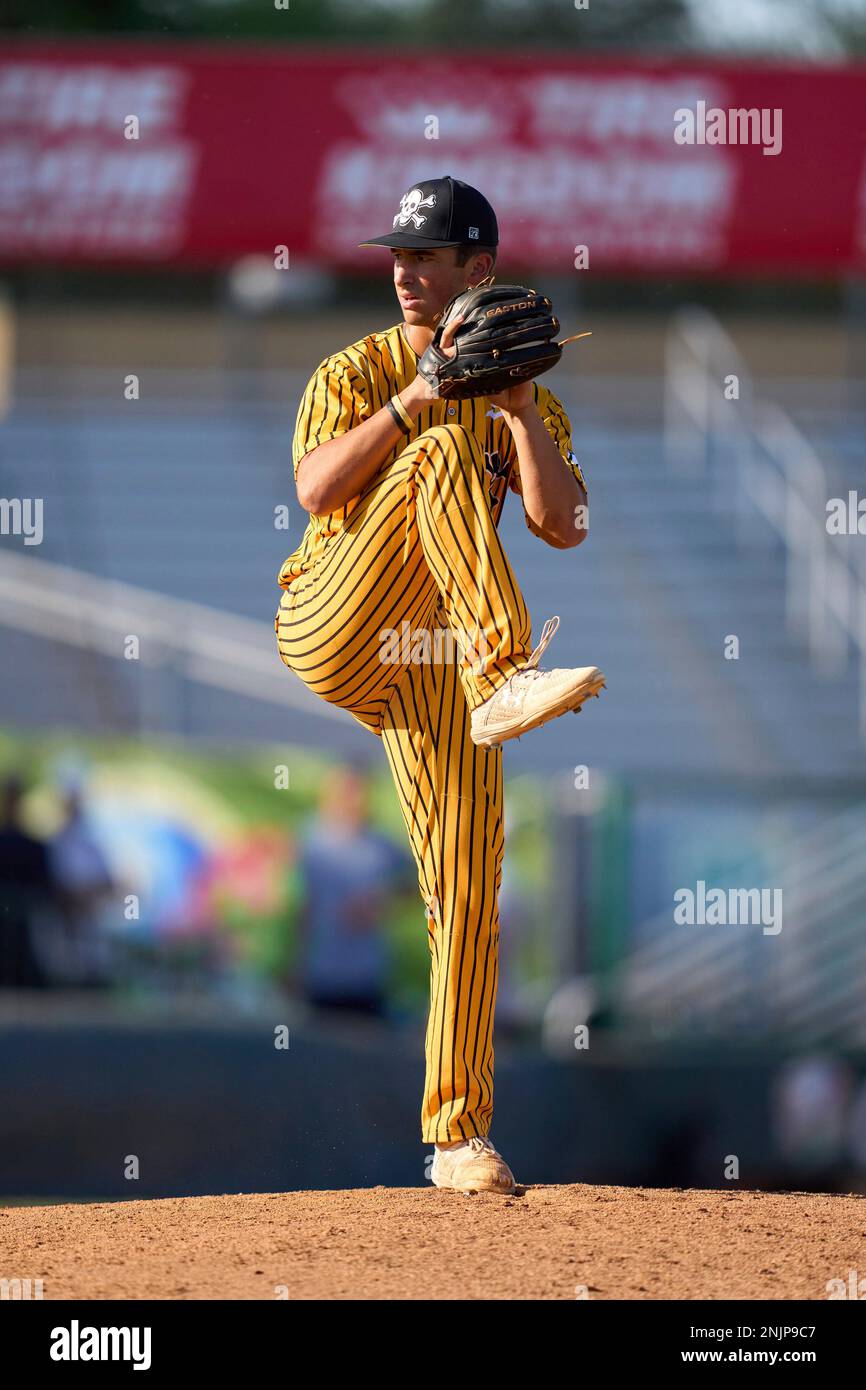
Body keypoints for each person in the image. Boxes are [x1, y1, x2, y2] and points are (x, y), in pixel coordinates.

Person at [275, 175, 603, 1194]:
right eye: (398, 257)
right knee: (429, 456)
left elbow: (562, 525)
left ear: (480, 271)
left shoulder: (531, 391)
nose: (406, 274)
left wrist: (513, 414)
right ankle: (505, 667)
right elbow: (315, 489)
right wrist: (418, 399)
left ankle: (457, 1135)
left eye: (428, 257)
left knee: (466, 885)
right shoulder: (357, 366)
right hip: (335, 613)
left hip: (430, 654)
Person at [296, 762, 414, 1018]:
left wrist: (383, 903)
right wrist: (296, 964)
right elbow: (302, 905)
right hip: (323, 971)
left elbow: (422, 883)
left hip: (366, 974)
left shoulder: (380, 844)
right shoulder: (311, 840)